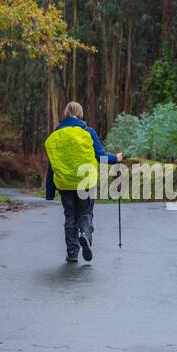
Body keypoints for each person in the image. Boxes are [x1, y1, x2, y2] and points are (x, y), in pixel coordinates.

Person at [44, 102, 122, 262]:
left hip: (64, 183)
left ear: (66, 113)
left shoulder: (56, 134)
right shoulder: (88, 131)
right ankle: (85, 235)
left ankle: (72, 253)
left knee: (70, 216)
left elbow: (52, 164)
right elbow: (100, 156)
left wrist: (50, 191)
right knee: (85, 213)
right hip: (85, 181)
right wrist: (116, 158)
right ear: (80, 113)